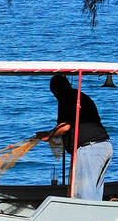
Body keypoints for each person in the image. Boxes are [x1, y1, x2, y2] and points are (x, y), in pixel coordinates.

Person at [39, 73, 112, 201]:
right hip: (104, 146)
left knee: (84, 194)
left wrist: (49, 136)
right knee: (95, 192)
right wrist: (50, 133)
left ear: (57, 90)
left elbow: (65, 126)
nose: (55, 97)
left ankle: (85, 220)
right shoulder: (79, 96)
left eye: (54, 94)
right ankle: (95, 219)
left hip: (89, 149)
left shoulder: (66, 98)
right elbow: (69, 124)